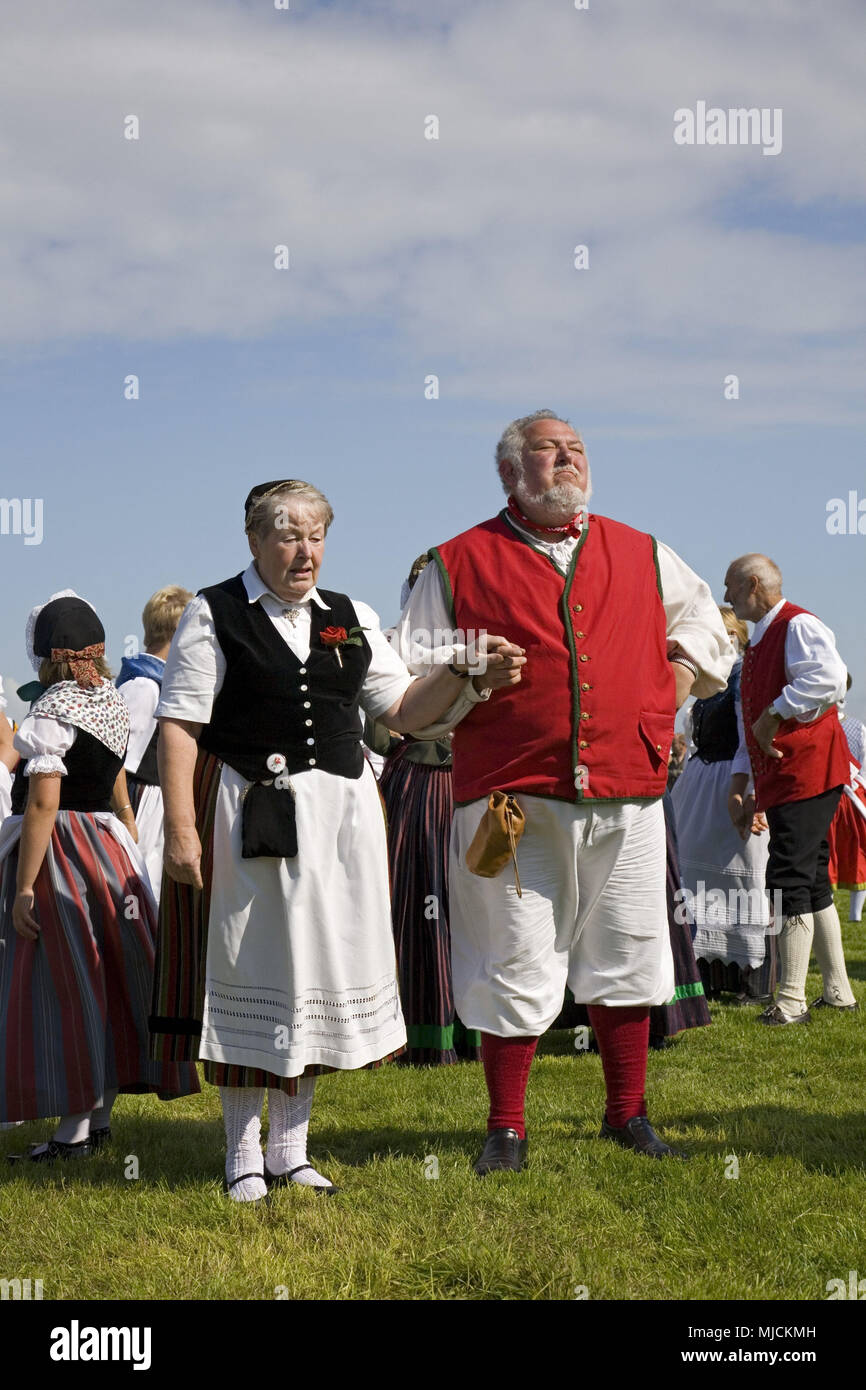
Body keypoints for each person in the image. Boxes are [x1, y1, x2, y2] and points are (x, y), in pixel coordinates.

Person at [151, 480, 520, 1201]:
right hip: (253, 816)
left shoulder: (351, 617)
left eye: (316, 535)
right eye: (288, 535)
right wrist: (181, 832)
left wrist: (463, 674)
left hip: (342, 820)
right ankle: (241, 1155)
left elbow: (408, 710)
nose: (304, 550)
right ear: (255, 540)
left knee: (314, 972)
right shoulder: (214, 611)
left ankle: (292, 1151)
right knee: (254, 969)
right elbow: (181, 725)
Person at [394, 410, 733, 1171]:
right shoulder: (456, 560)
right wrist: (470, 673)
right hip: (511, 798)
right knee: (511, 953)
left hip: (629, 790)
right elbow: (409, 671)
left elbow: (706, 628)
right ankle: (506, 1127)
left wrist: (670, 684)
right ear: (511, 472)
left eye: (576, 449)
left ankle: (627, 1114)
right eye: (549, 452)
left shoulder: (643, 551)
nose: (568, 460)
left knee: (628, 948)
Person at [0, 592, 199, 1158]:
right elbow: (116, 781)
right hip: (105, 845)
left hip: (61, 852)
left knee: (68, 983)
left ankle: (72, 1132)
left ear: (46, 654)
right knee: (109, 978)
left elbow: (41, 805)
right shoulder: (108, 700)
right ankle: (98, 1117)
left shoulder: (53, 709)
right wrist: (128, 827)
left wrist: (22, 887)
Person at [725, 554, 857, 1023]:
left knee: (788, 877)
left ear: (754, 585)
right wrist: (741, 782)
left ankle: (791, 999)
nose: (726, 598)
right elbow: (750, 728)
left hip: (810, 771)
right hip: (785, 776)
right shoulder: (760, 643)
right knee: (811, 876)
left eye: (731, 589)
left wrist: (775, 712)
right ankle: (839, 991)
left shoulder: (798, 626)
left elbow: (830, 679)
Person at [372, 555, 481, 1066]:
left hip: (466, 781)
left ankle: (467, 1027)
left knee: (469, 902)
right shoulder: (395, 647)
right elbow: (379, 723)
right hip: (420, 780)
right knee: (420, 897)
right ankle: (424, 1028)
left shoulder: (478, 647)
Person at [672, 606, 774, 1003]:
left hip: (735, 777)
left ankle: (753, 977)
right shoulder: (709, 678)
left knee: (744, 876)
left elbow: (750, 739)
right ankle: (709, 974)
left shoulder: (744, 673)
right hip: (700, 784)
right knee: (697, 879)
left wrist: (752, 791)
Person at [116, 586, 193, 904]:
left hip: (157, 802)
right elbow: (119, 762)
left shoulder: (154, 682)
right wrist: (127, 819)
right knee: (146, 891)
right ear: (178, 632)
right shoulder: (144, 687)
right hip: (144, 803)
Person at [828, 676, 866, 923]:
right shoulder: (820, 727)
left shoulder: (857, 726)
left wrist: (857, 783)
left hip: (852, 797)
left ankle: (854, 914)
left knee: (857, 851)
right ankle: (826, 907)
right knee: (827, 851)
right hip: (827, 795)